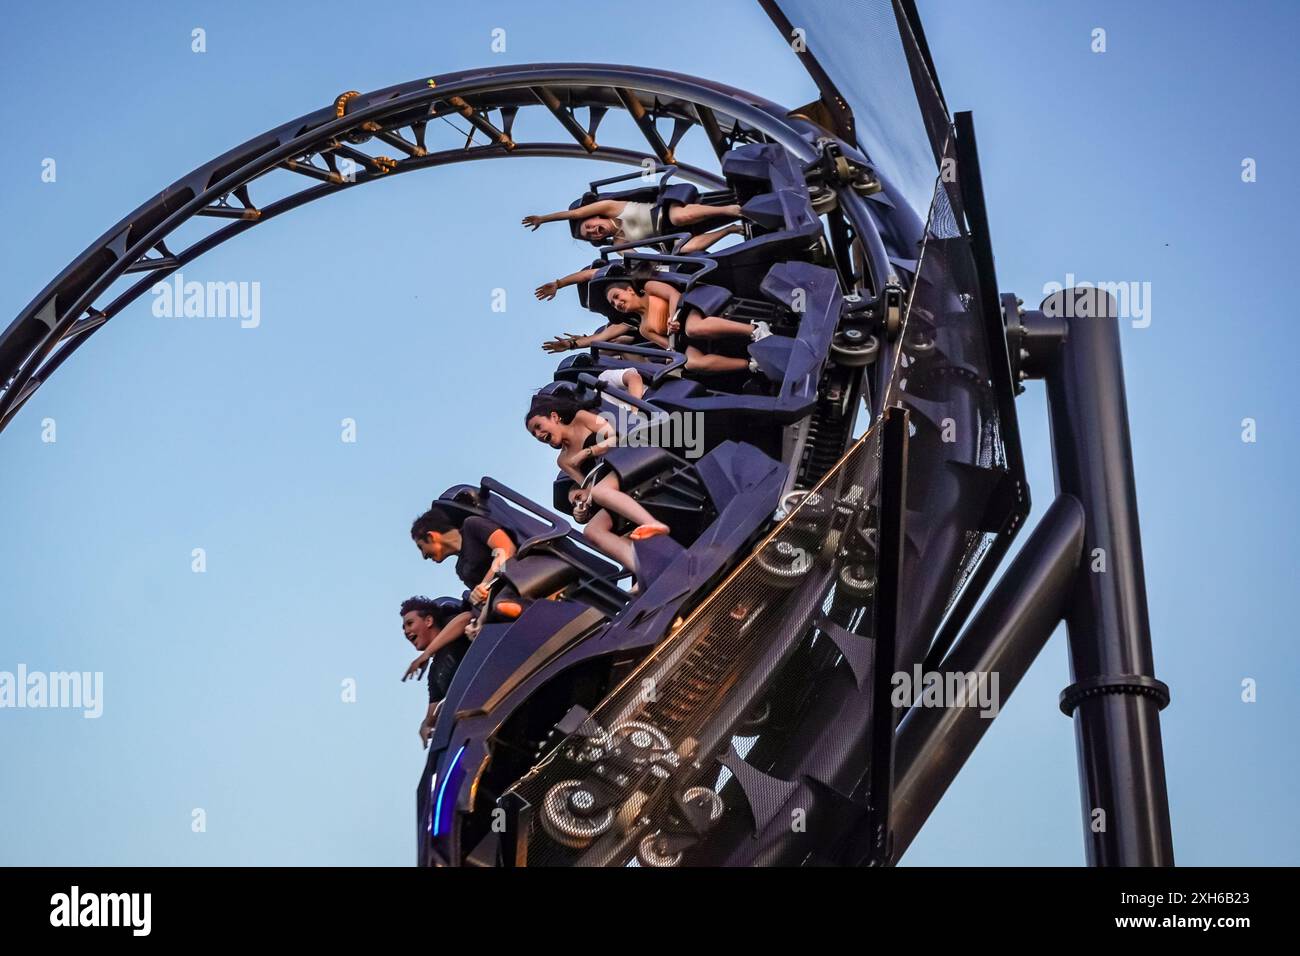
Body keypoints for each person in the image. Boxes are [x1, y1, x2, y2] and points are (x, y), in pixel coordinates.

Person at [524, 386, 668, 573]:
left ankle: (653, 524)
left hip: (630, 456)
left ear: (554, 417)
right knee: (592, 530)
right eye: (533, 435)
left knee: (602, 491)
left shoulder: (581, 418)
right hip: (611, 481)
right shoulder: (564, 460)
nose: (538, 435)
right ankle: (641, 569)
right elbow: (587, 487)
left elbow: (615, 436)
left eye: (538, 427)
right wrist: (580, 506)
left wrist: (587, 452)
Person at [603, 279, 771, 375]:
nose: (617, 303)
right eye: (613, 303)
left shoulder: (648, 288)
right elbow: (668, 346)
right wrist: (670, 357)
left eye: (617, 296)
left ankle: (755, 329)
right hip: (684, 337)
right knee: (692, 363)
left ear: (630, 290)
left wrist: (672, 317)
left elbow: (673, 294)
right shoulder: (644, 329)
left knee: (693, 328)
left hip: (689, 308)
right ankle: (751, 364)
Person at [398, 595, 473, 747]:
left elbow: (466, 618)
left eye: (410, 623)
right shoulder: (434, 674)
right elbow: (432, 713)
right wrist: (425, 725)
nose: (406, 631)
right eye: (404, 628)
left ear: (428, 621)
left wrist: (426, 654)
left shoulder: (453, 631)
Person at [410, 505, 517, 607]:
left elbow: (506, 550)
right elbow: (482, 597)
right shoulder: (461, 569)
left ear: (431, 537)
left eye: (421, 547)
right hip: (501, 599)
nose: (424, 555)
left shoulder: (471, 526)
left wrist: (485, 583)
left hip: (520, 581)